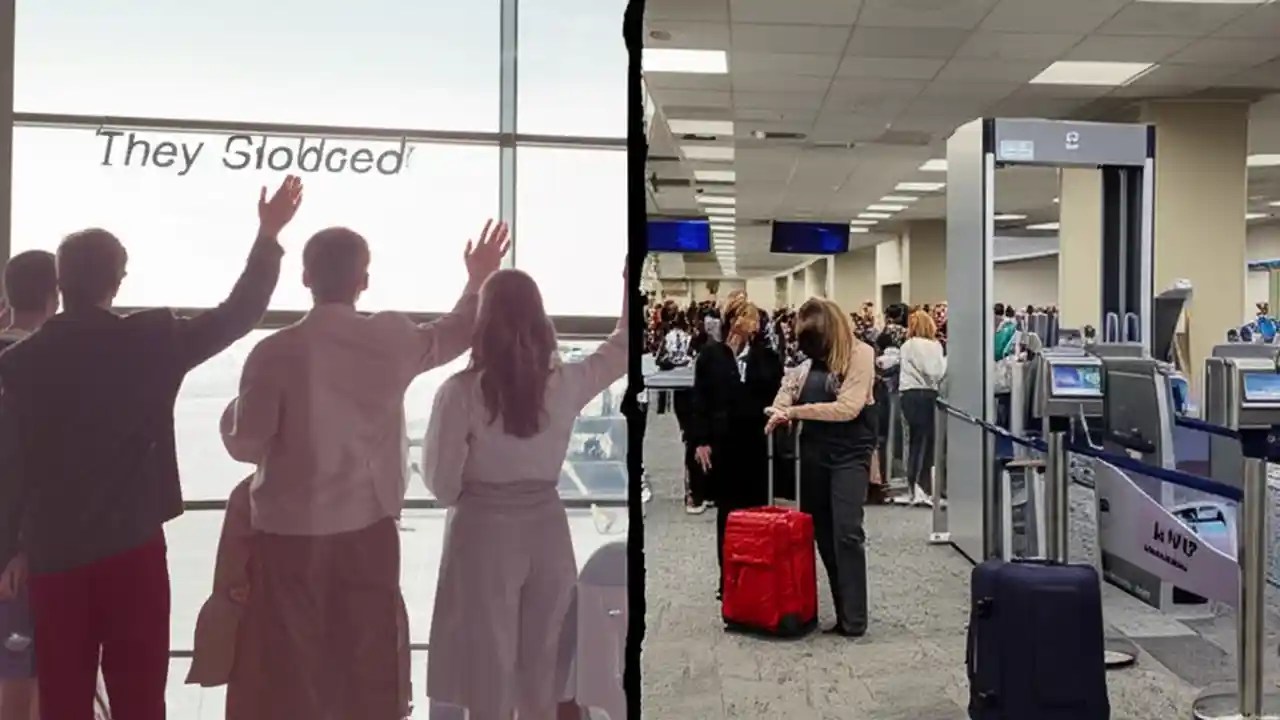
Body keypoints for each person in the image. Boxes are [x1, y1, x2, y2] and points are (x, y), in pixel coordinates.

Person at [0, 175, 303, 720]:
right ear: (116, 282)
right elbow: (238, 313)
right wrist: (268, 235)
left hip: (52, 553)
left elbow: (11, 470)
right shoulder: (152, 340)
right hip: (133, 546)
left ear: (60, 284)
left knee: (63, 699)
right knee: (139, 697)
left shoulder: (18, 366)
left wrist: (8, 550)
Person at [219, 218, 509, 720]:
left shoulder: (273, 352)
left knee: (290, 667)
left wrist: (231, 415)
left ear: (305, 277)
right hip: (367, 529)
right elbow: (457, 331)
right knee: (367, 663)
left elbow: (246, 445)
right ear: (363, 280)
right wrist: (478, 277)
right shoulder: (389, 338)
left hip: (288, 535)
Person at [420, 266, 626, 720]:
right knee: (542, 674)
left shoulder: (459, 393)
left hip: (482, 535)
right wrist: (630, 289)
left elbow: (442, 484)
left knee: (487, 676)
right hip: (547, 531)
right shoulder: (566, 383)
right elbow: (620, 349)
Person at [765, 298, 876, 638]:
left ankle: (855, 618)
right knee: (823, 532)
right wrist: (779, 408)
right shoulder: (807, 362)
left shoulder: (861, 354)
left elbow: (847, 408)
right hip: (814, 452)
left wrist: (794, 412)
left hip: (851, 453)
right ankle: (844, 613)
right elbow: (787, 389)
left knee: (847, 531)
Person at [689, 298, 783, 601]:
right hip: (724, 442)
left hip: (756, 442)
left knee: (757, 510)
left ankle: (755, 576)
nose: (751, 324)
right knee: (728, 513)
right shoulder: (712, 356)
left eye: (754, 319)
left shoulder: (766, 357)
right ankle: (728, 578)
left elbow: (774, 391)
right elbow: (700, 399)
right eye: (745, 318)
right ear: (731, 320)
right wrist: (700, 440)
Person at [0, 251, 57, 720]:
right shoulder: (46, 371)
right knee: (22, 675)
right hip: (19, 555)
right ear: (55, 298)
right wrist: (22, 548)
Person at [898, 310, 947, 507]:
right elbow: (937, 372)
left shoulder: (906, 345)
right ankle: (923, 486)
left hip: (908, 394)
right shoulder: (934, 346)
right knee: (928, 443)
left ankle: (913, 486)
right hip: (927, 394)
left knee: (914, 442)